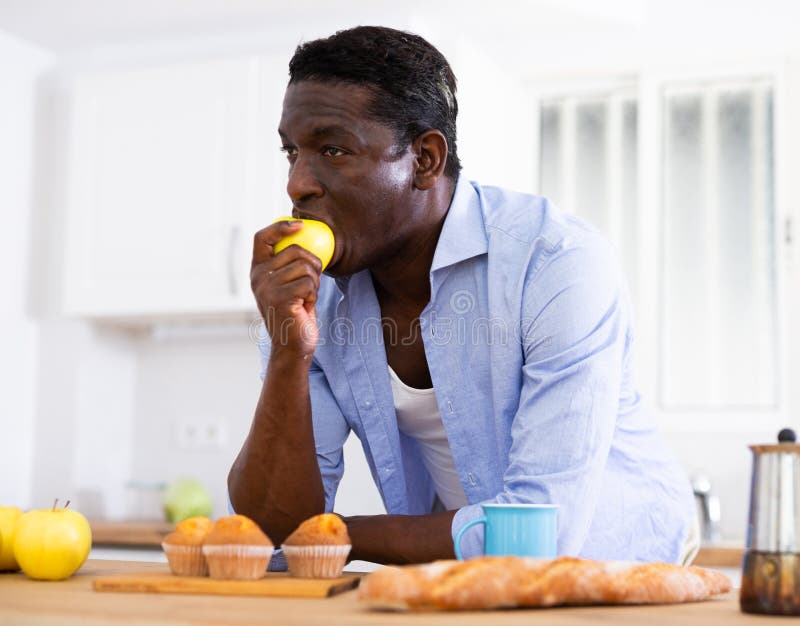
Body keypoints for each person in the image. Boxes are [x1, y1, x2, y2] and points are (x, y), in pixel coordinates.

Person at [227, 25, 698, 566]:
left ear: (424, 160)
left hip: (626, 565)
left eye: (333, 149)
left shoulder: (557, 263)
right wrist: (289, 351)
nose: (297, 184)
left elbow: (543, 528)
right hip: (473, 575)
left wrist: (334, 537)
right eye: (292, 152)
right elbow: (268, 533)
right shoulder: (313, 303)